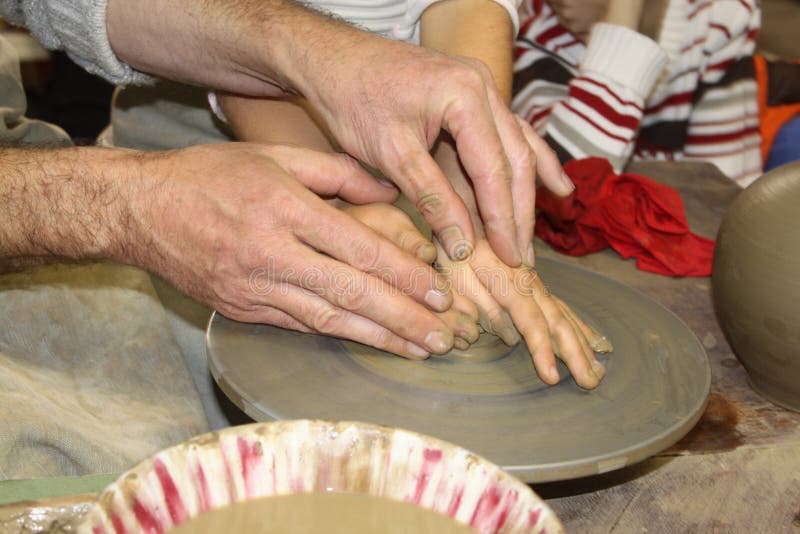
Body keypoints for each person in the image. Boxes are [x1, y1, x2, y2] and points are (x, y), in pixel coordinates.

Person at [513, 0, 763, 186]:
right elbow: (569, 189)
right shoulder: (527, 28)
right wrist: (621, 24)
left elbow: (724, 195)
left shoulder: (720, 15)